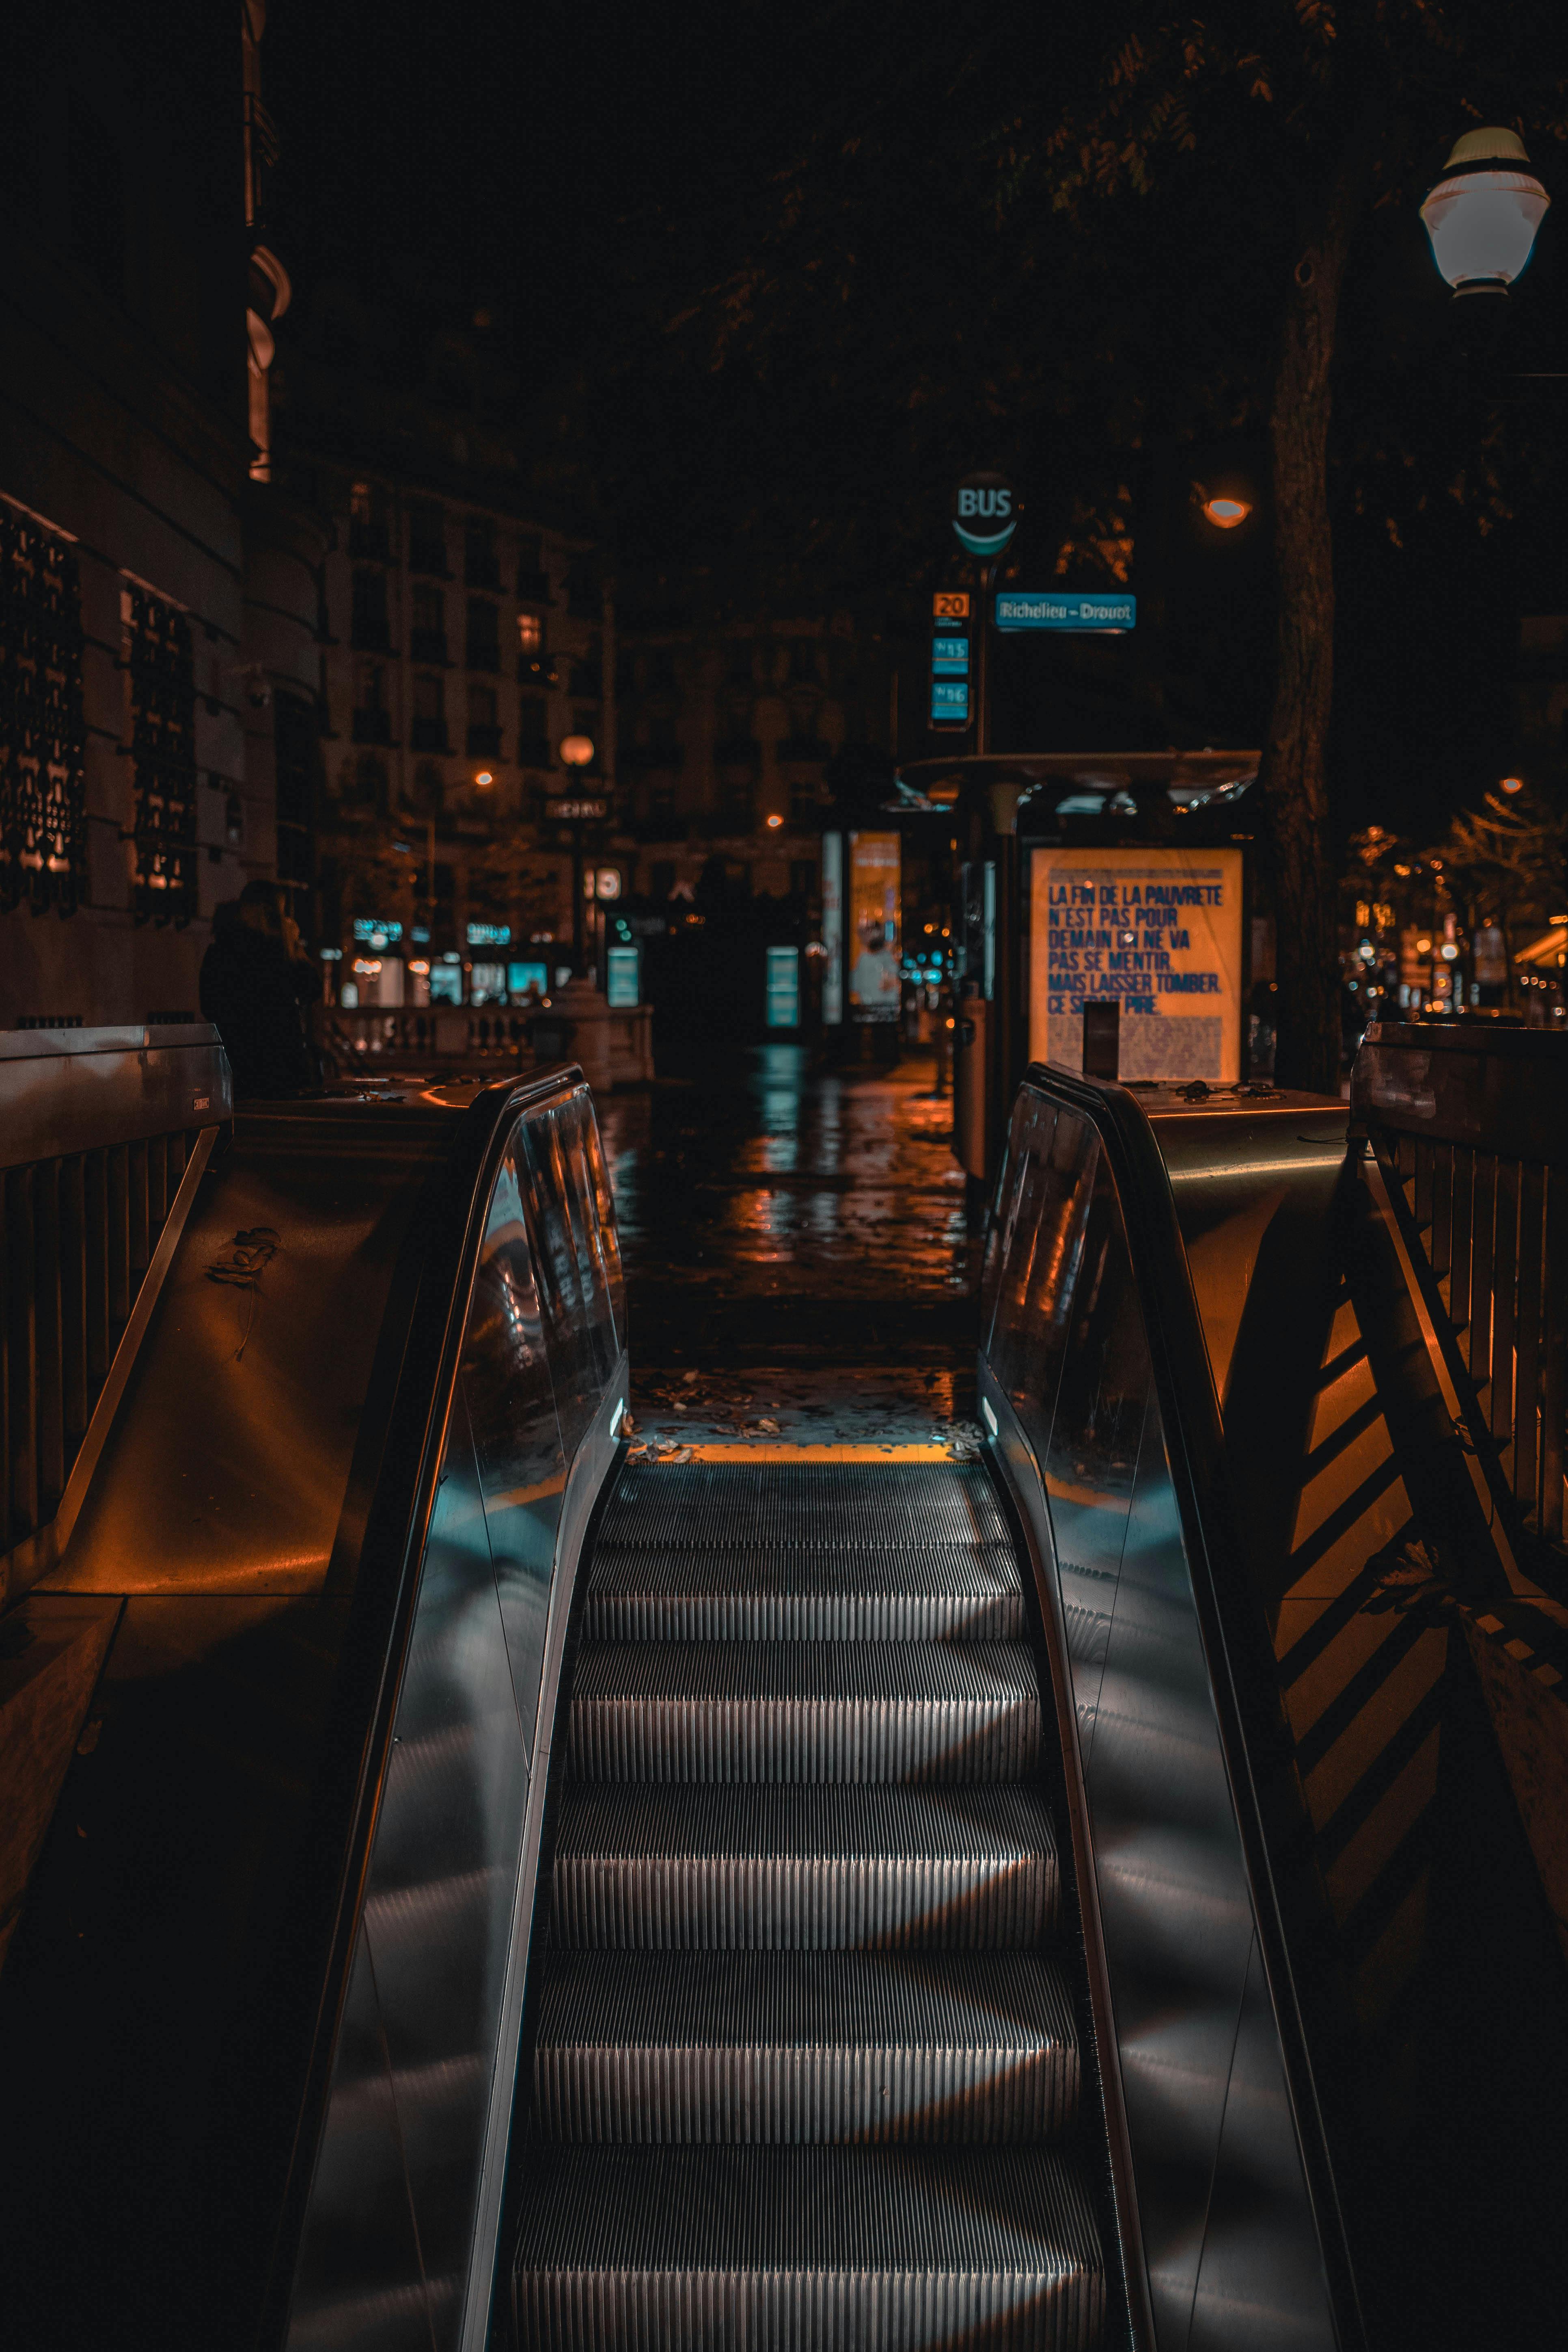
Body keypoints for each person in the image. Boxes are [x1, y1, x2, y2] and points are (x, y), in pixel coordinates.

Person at [199, 881, 321, 1097]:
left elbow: (209, 1004)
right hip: (279, 1064)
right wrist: (293, 948)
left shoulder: (222, 950)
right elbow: (310, 989)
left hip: (236, 1062)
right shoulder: (272, 953)